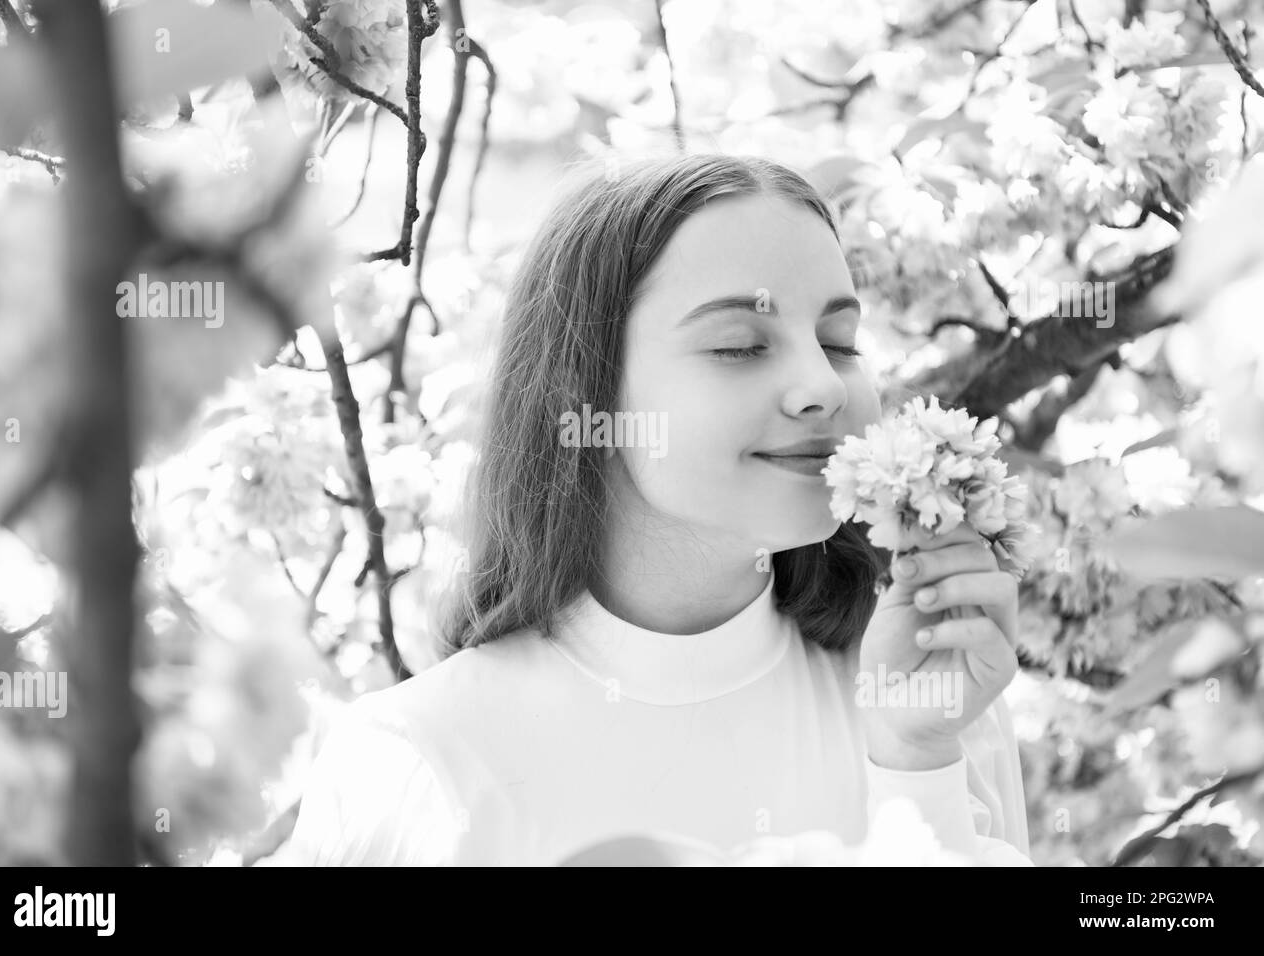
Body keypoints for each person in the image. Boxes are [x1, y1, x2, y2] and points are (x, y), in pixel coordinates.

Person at [268, 153, 1034, 866]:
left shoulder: (939, 696)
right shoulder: (418, 759)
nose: (825, 388)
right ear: (584, 394)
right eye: (740, 345)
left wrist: (914, 760)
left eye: (838, 342)